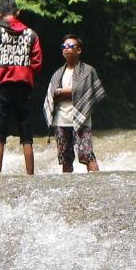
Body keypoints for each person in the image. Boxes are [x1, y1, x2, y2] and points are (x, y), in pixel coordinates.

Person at [0, 0, 43, 175]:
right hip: (23, 86)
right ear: (18, 12)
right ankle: (30, 174)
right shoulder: (31, 34)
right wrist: (24, 71)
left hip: (1, 86)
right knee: (26, 132)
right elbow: (37, 64)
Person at [43, 35, 106, 172]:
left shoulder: (88, 71)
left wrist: (62, 92)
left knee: (88, 155)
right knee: (65, 159)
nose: (67, 49)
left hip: (81, 120)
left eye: (71, 46)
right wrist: (68, 92)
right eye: (64, 46)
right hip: (61, 121)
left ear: (79, 50)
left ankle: (98, 186)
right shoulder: (57, 73)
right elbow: (52, 95)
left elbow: (88, 92)